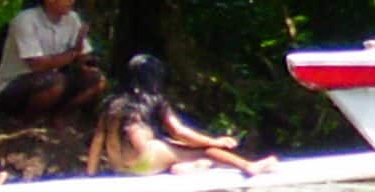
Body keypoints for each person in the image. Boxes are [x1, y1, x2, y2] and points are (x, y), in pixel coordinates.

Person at [86, 55, 276, 177]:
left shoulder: (111, 104)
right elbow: (179, 132)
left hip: (120, 167)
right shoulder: (154, 100)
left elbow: (98, 139)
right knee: (202, 149)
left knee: (173, 148)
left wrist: (90, 176)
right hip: (143, 162)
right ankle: (248, 167)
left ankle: (181, 168)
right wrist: (214, 142)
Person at [0, 0, 106, 128]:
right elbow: (37, 64)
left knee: (96, 79)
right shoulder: (25, 20)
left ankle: (59, 116)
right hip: (14, 86)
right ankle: (26, 123)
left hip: (52, 81)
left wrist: (84, 58)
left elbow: (83, 55)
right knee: (53, 82)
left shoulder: (72, 19)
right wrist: (74, 52)